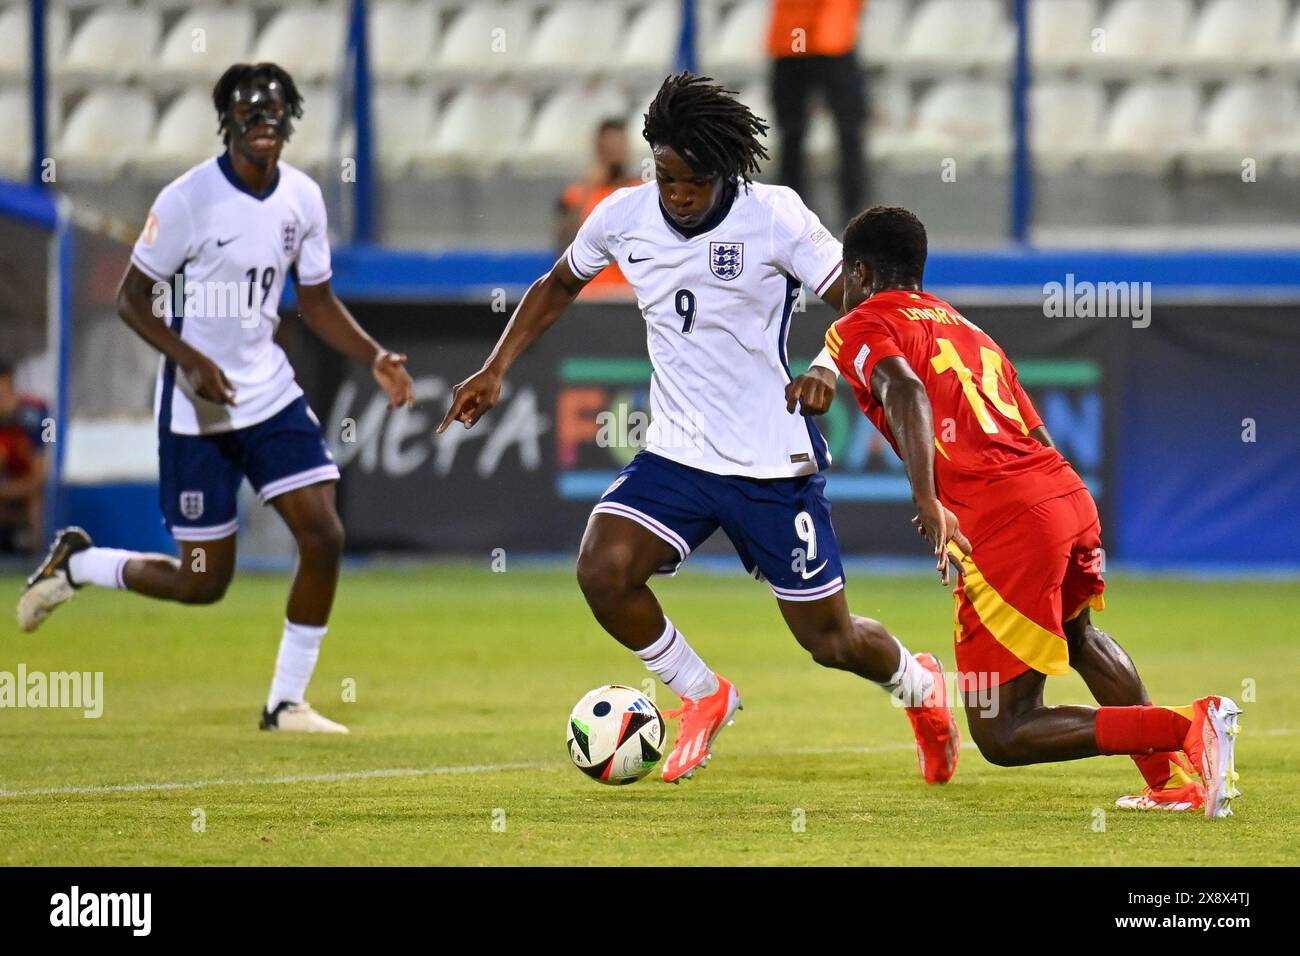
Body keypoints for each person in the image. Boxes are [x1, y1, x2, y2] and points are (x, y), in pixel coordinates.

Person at [440, 73, 957, 785]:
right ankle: (702, 693)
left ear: (726, 168)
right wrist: (496, 368)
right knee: (602, 570)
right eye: (666, 176)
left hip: (770, 458)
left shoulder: (773, 216)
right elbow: (558, 283)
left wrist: (828, 370)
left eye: (693, 180)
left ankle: (921, 686)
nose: (677, 192)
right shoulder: (622, 216)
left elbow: (865, 304)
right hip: (678, 453)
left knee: (830, 640)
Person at [17, 63, 415, 735]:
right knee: (204, 582)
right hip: (197, 411)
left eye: (274, 111)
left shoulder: (303, 200)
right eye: (249, 111)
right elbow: (131, 301)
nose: (263, 123)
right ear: (225, 121)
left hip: (268, 393)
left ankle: (285, 703)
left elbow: (314, 302)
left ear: (290, 121)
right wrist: (193, 361)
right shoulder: (186, 201)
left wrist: (374, 354)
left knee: (322, 535)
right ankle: (80, 563)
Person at [813, 205, 1242, 817]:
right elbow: (1034, 434)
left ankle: (1188, 725)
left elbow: (903, 389)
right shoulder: (968, 330)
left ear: (860, 272)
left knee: (1003, 732)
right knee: (1078, 632)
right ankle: (1171, 781)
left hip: (1004, 519)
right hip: (1063, 492)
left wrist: (927, 499)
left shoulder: (859, 325)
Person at [768, 0, 867, 225]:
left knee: (849, 131)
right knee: (791, 134)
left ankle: (857, 218)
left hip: (833, 33)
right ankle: (789, 218)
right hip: (792, 35)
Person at [555, 118, 643, 300]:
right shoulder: (577, 193)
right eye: (609, 146)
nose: (615, 152)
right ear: (598, 148)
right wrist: (587, 190)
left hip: (631, 295)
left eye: (620, 144)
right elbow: (564, 246)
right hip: (589, 295)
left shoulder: (641, 191)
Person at [0, 361, 47, 553]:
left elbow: (41, 471)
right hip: (6, 481)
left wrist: (8, 490)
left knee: (37, 499)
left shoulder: (41, 414)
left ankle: (39, 556)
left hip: (27, 482)